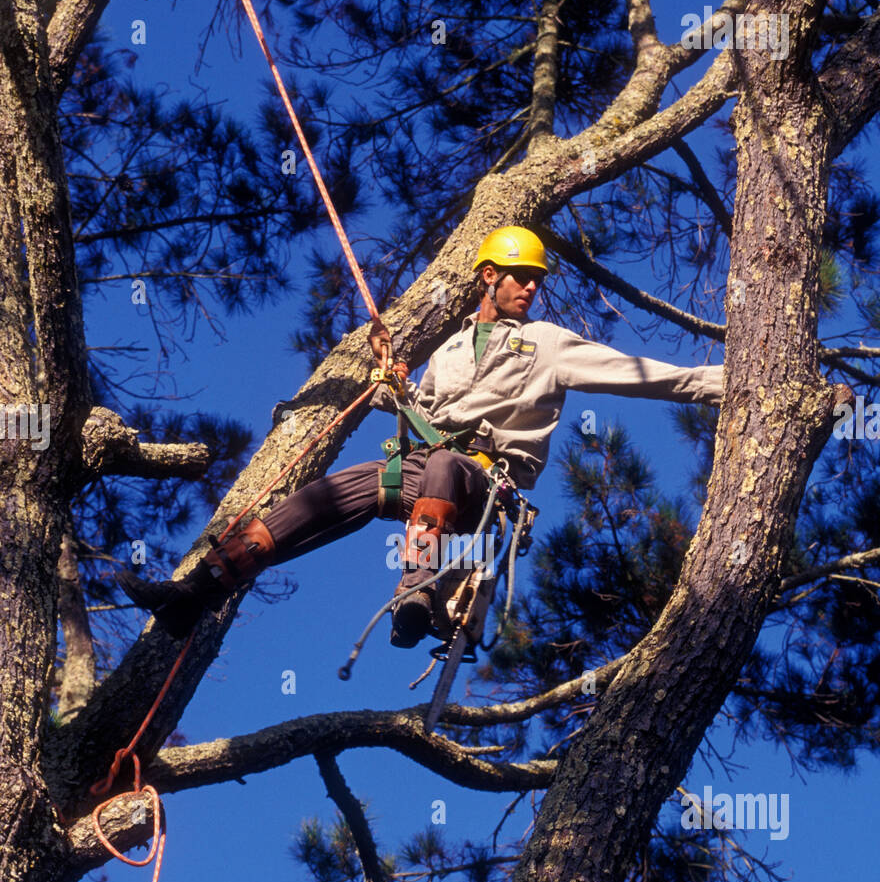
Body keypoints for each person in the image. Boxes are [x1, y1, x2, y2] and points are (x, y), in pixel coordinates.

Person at [120, 226, 723, 647]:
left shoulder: (550, 345)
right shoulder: (452, 348)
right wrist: (394, 387)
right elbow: (419, 417)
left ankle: (416, 594)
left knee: (444, 468)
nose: (532, 288)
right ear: (489, 277)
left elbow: (644, 376)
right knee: (312, 502)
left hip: (482, 484)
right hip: (422, 467)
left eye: (537, 280)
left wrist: (724, 380)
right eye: (521, 277)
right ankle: (191, 596)